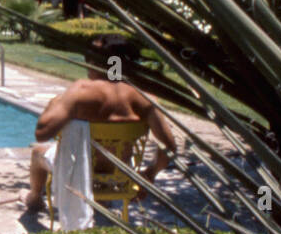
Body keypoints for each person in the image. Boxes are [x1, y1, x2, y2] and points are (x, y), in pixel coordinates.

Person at [25, 36, 176, 224]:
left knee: (38, 153)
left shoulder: (80, 92)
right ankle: (100, 202)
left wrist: (56, 102)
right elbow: (170, 147)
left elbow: (42, 133)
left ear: (96, 62)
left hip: (78, 173)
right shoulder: (145, 99)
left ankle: (34, 197)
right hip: (120, 176)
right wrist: (149, 174)